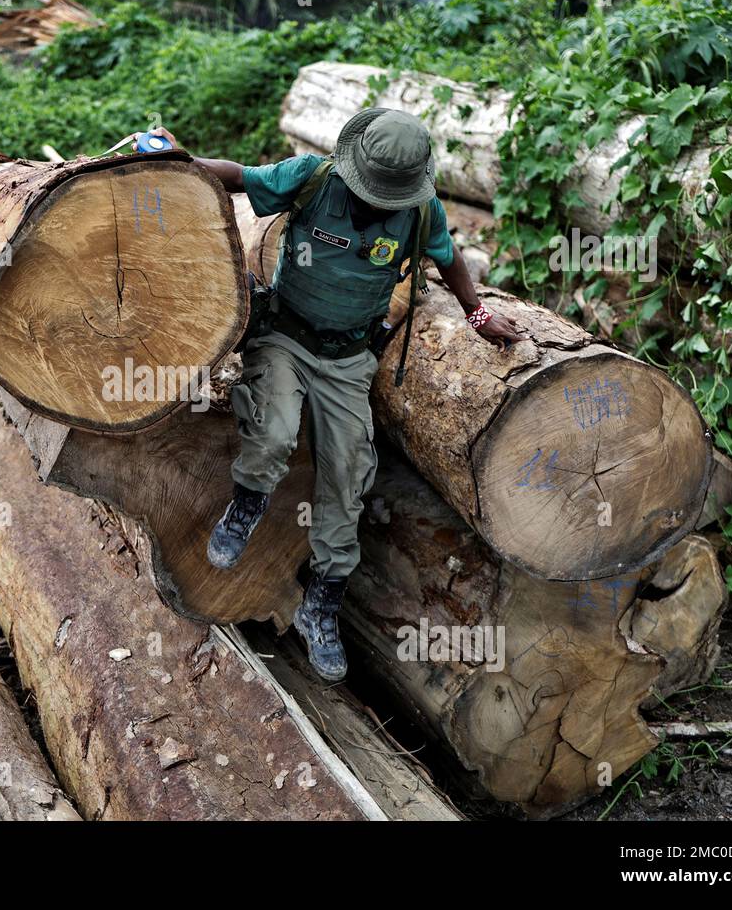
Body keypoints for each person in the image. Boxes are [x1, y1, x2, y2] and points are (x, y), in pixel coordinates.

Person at [145, 111, 523, 681]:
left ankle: (321, 603)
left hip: (349, 359)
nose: (380, 204)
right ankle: (246, 507)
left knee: (347, 475)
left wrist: (479, 313)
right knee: (273, 431)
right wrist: (180, 165)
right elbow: (242, 176)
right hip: (285, 337)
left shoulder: (420, 212)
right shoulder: (314, 179)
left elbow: (448, 260)